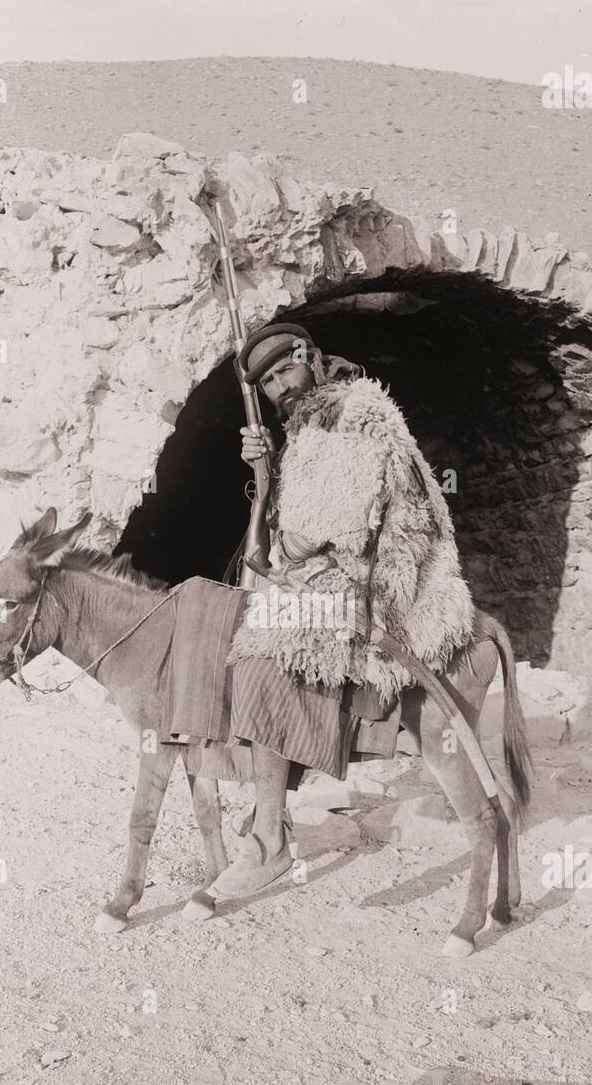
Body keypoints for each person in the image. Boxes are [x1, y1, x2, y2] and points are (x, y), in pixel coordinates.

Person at [181, 323, 474, 918]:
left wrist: (290, 547)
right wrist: (264, 480)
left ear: (311, 359)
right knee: (239, 628)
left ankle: (269, 841)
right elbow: (281, 540)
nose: (279, 387)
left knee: (267, 652)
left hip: (390, 578)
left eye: (285, 370)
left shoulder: (357, 411)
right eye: (266, 383)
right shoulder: (307, 427)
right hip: (338, 573)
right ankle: (270, 804)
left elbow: (337, 526)